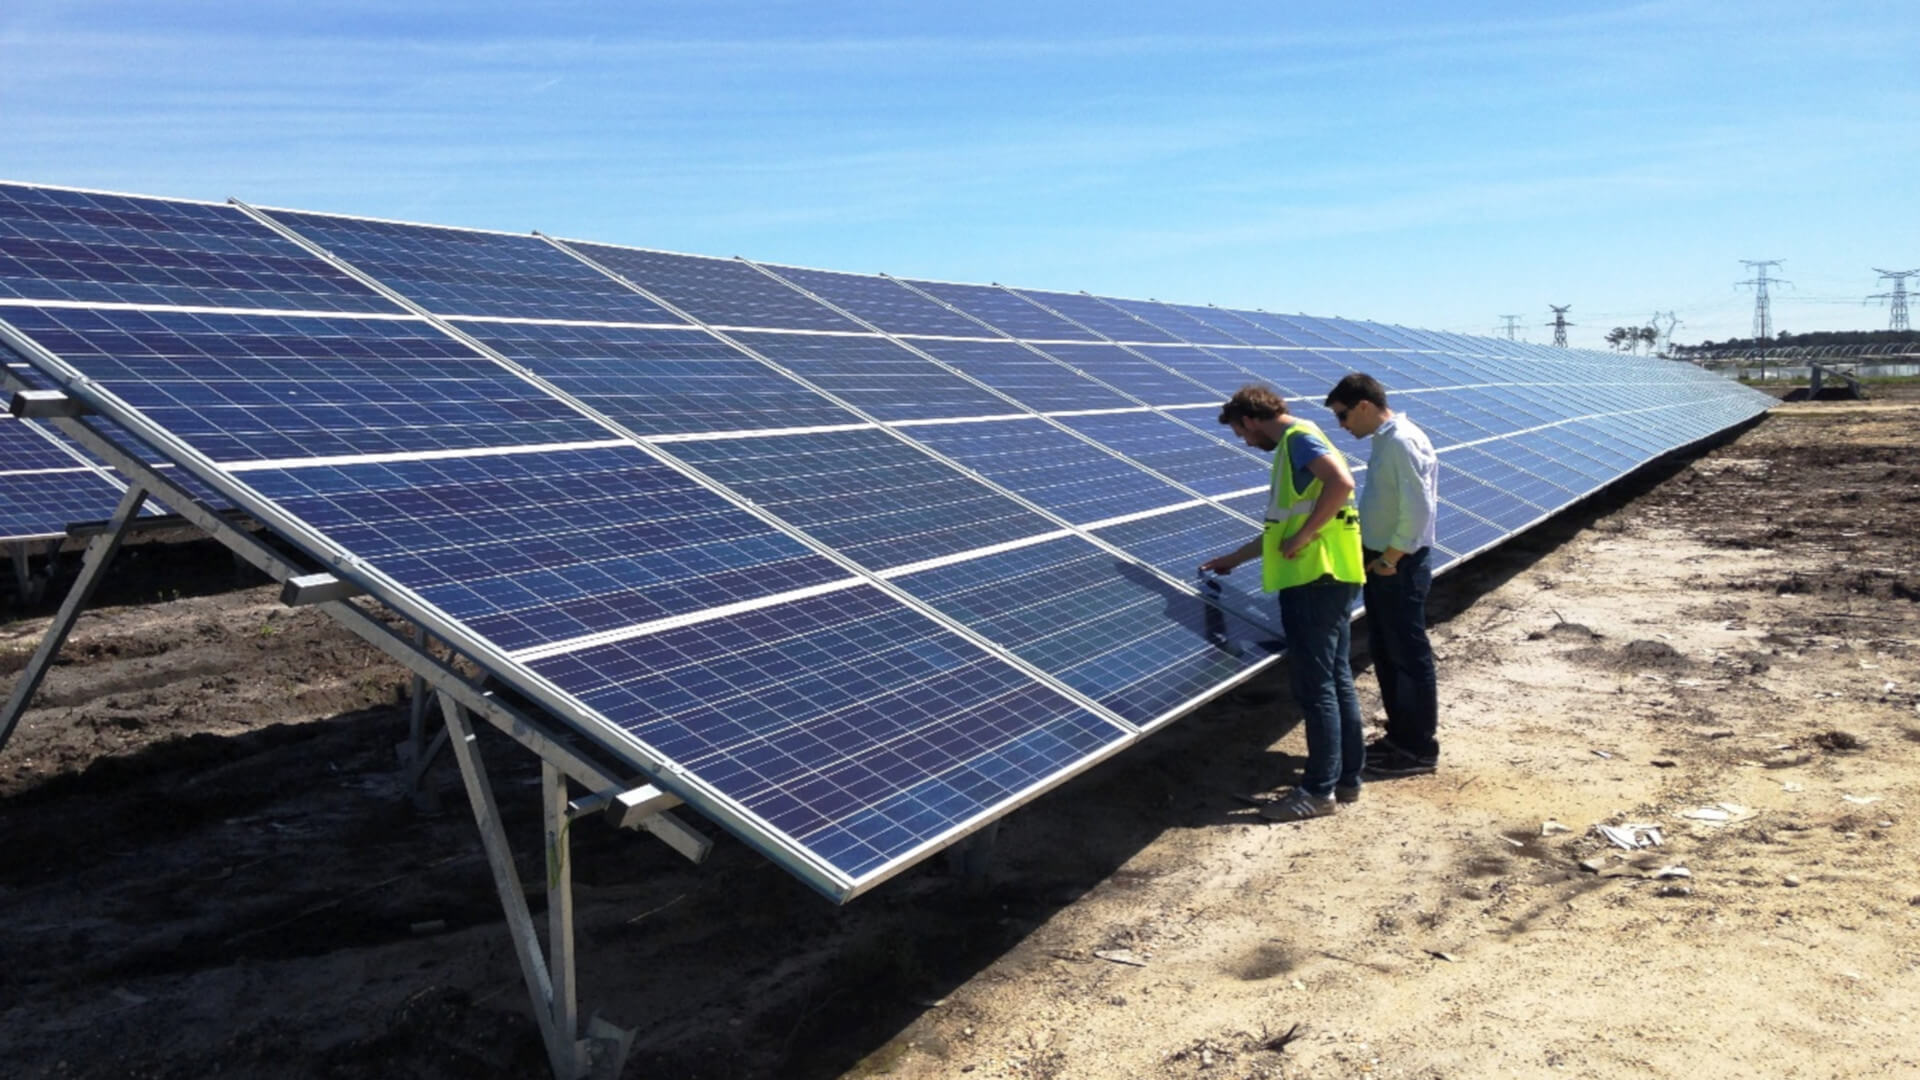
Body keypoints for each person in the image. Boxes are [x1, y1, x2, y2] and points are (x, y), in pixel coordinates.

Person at [1201, 385, 1366, 821]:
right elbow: (1283, 525)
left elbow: (1341, 482)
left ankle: (1318, 792)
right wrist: (1233, 560)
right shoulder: (1300, 441)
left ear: (1250, 419)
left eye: (1241, 433)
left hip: (1314, 577)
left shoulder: (1298, 440)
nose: (1245, 442)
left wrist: (1305, 535)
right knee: (1336, 679)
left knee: (1317, 689)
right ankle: (1347, 779)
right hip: (1334, 574)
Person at [1324, 373, 1440, 778]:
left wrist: (1390, 558)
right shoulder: (1387, 440)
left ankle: (1417, 749)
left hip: (1399, 564)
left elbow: (1418, 508)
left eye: (1342, 416)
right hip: (1388, 559)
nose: (1342, 426)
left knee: (1407, 654)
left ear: (1364, 406)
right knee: (1389, 651)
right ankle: (1402, 737)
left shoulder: (1400, 442)